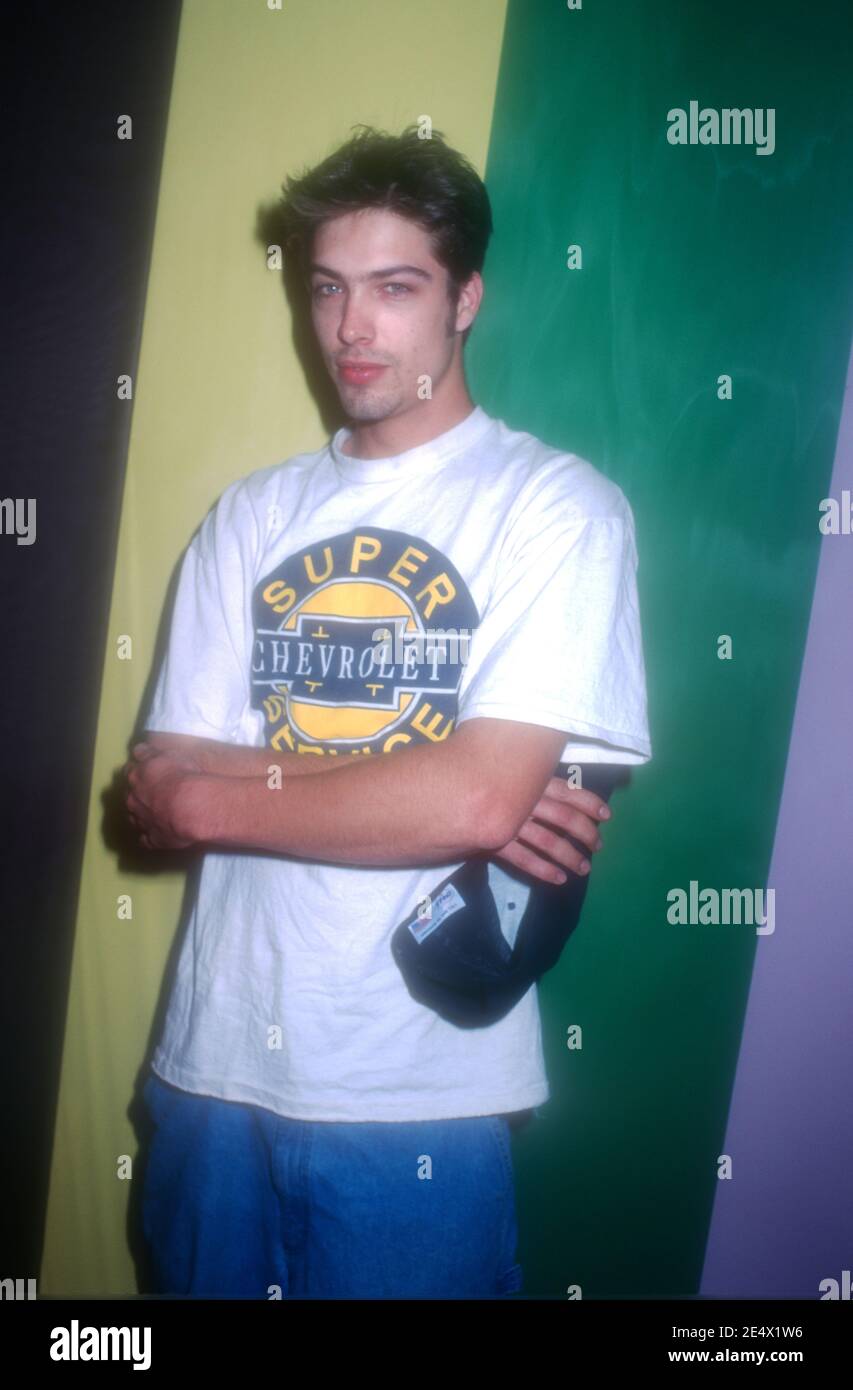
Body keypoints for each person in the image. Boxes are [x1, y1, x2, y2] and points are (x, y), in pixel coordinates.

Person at [125, 124, 652, 1300]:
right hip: (210, 1073)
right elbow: (166, 788)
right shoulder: (251, 514)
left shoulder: (557, 508)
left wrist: (243, 781)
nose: (352, 330)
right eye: (328, 290)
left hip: (416, 1092)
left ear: (466, 297)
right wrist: (443, 780)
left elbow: (475, 799)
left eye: (395, 289)